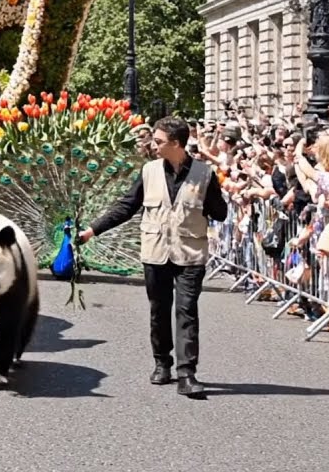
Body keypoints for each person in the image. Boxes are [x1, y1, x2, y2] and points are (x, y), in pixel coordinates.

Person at [77, 116, 228, 399]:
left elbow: (221, 213)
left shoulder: (205, 174)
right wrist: (92, 231)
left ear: (176, 143)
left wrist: (211, 197)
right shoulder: (148, 171)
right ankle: (162, 362)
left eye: (158, 141)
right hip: (156, 252)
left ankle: (187, 373)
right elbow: (126, 207)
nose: (153, 145)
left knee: (186, 311)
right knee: (159, 311)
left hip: (190, 253)